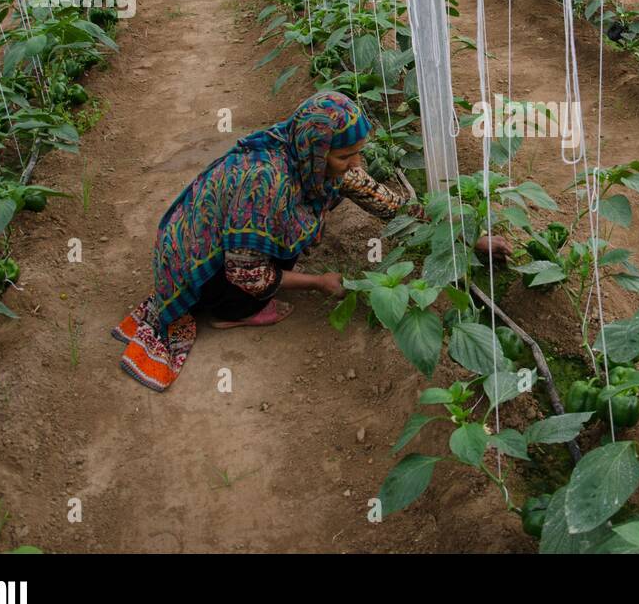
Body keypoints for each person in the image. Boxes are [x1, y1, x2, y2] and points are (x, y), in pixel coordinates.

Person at [114, 91, 507, 392]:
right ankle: (229, 311)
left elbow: (390, 204)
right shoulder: (265, 181)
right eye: (346, 156)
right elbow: (244, 271)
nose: (356, 164)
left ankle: (245, 292)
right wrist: (318, 283)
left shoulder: (307, 155)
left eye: (359, 153)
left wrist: (468, 237)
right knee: (252, 277)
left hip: (224, 250)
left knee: (281, 241)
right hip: (203, 268)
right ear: (319, 150)